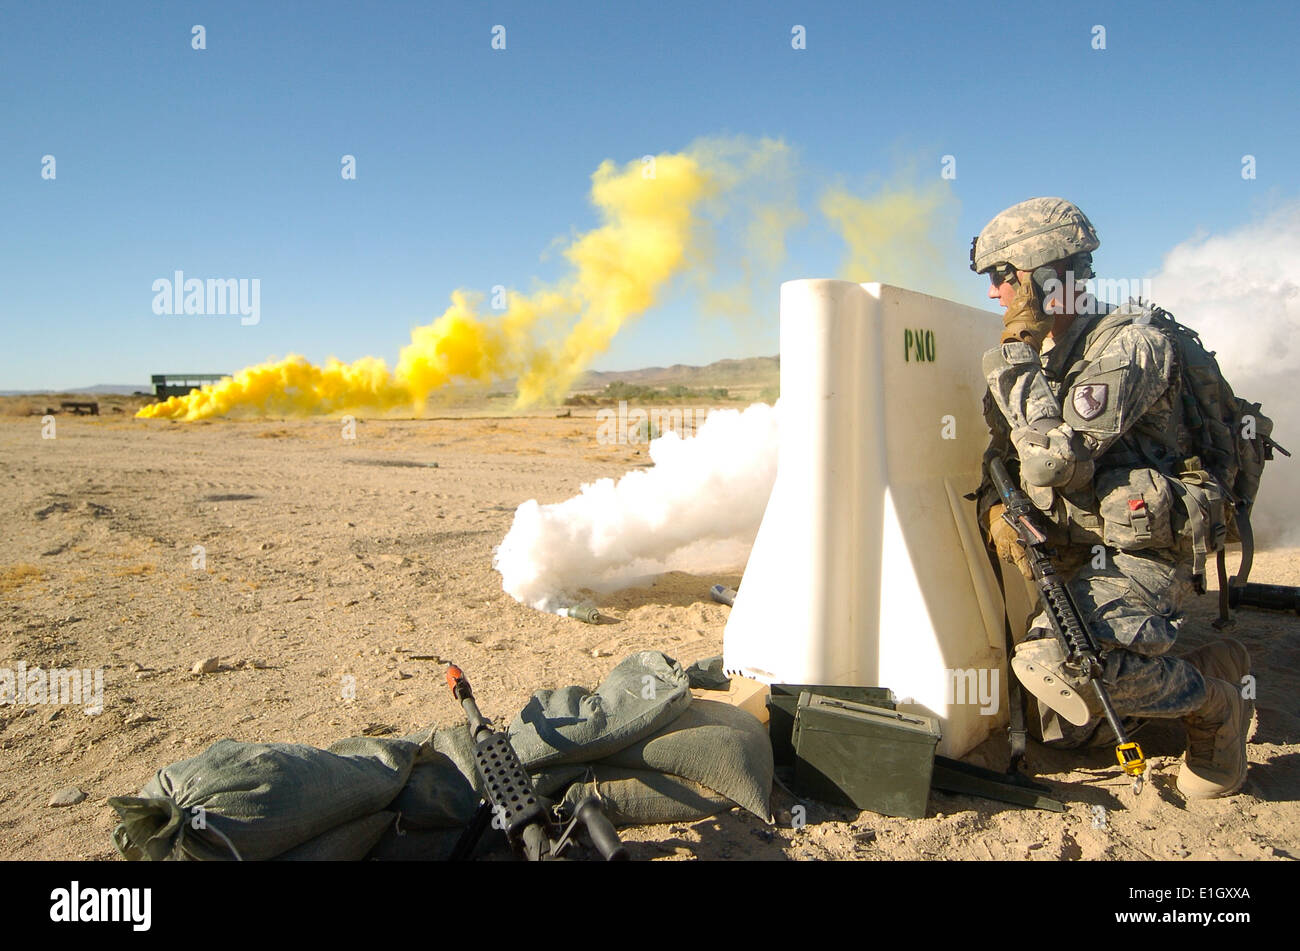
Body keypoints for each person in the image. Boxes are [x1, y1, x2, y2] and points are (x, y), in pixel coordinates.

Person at [970, 197, 1252, 799]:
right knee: (1065, 728)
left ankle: (1216, 709)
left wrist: (1014, 354)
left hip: (1146, 547)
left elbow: (1053, 459)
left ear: (1043, 274)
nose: (996, 294)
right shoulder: (1048, 354)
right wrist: (998, 507)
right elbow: (1005, 457)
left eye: (1002, 277)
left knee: (1063, 664)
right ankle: (1199, 669)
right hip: (1081, 544)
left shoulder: (1130, 345)